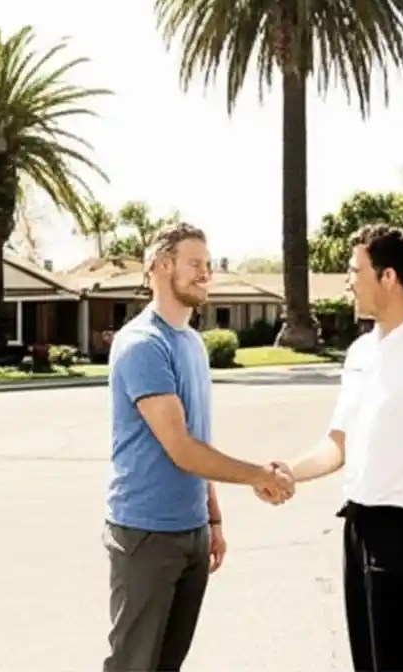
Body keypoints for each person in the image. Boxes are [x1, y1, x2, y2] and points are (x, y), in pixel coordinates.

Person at [276, 223, 403, 672]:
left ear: (388, 277)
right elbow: (337, 445)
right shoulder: (362, 352)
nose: (348, 280)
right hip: (360, 529)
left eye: (355, 269)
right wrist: (286, 472)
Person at [102, 221, 296, 672]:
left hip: (190, 531)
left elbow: (199, 442)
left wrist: (211, 517)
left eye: (207, 265)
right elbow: (181, 448)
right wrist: (260, 476)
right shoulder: (142, 345)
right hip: (146, 533)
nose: (205, 273)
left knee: (168, 664)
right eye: (194, 264)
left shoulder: (191, 343)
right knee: (134, 664)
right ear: (161, 267)